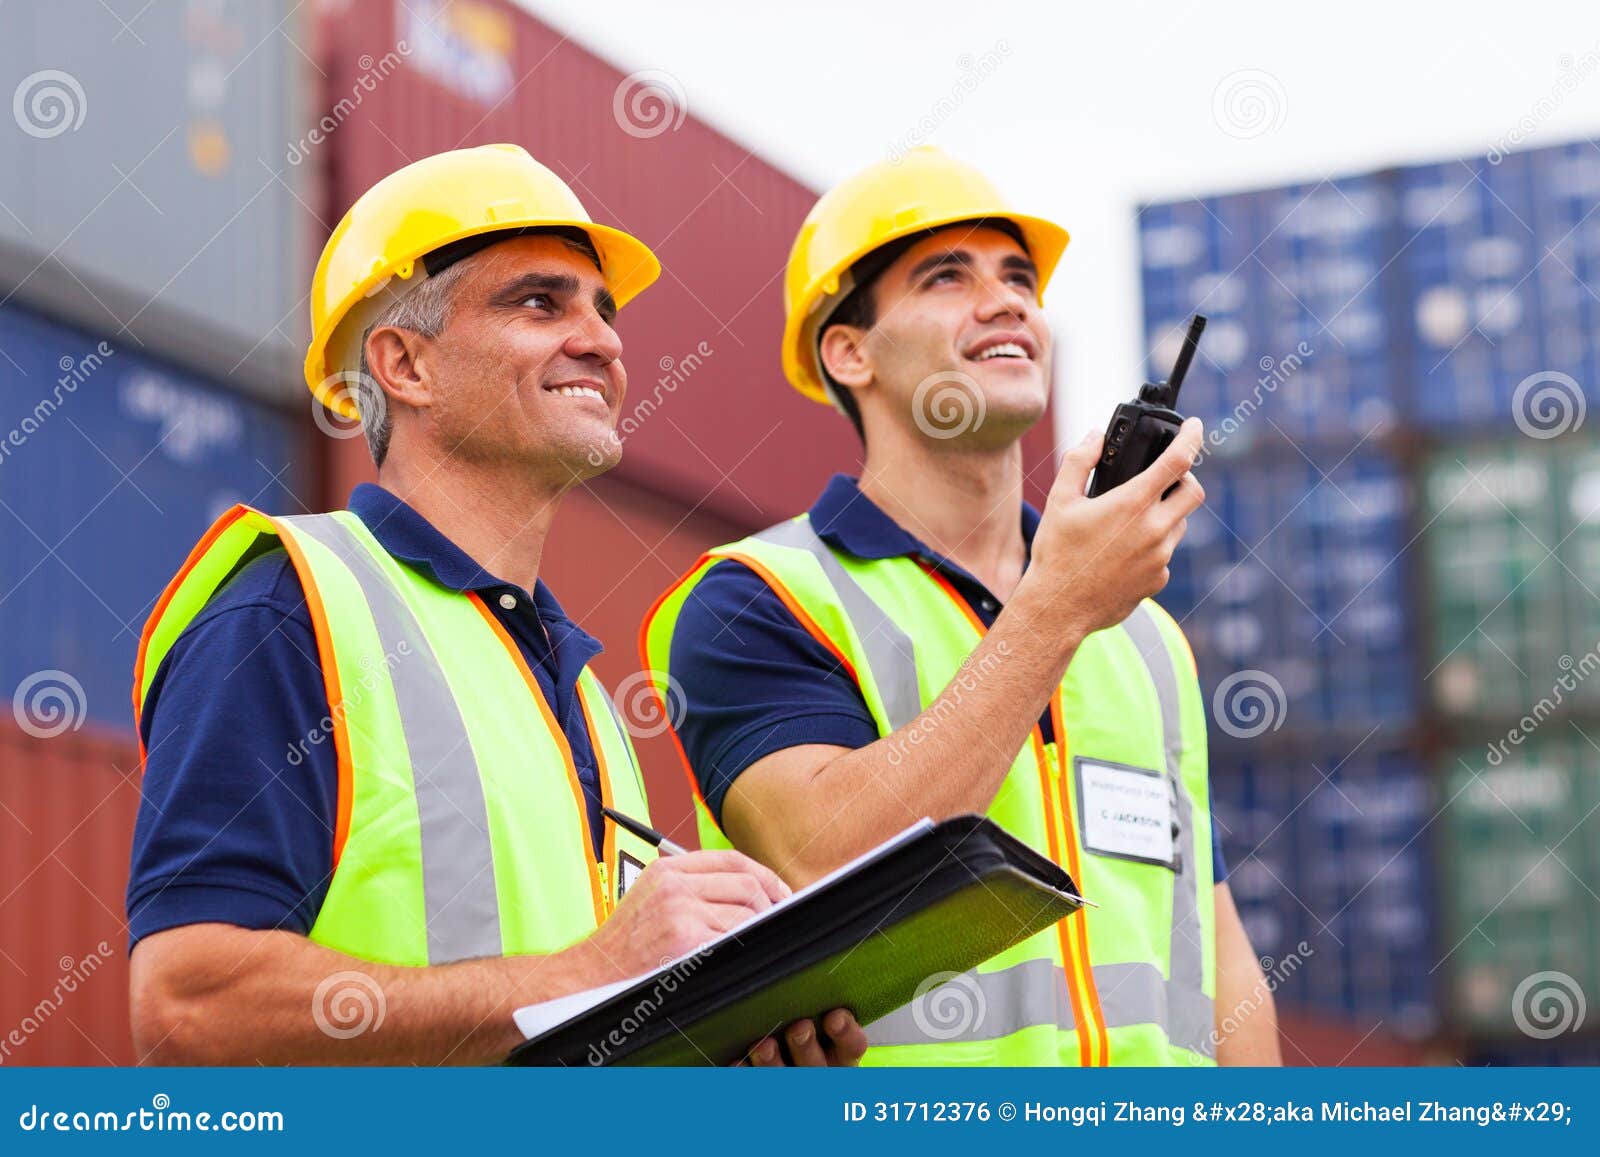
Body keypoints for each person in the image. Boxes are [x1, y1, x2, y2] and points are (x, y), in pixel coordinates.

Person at [126, 144, 866, 1067]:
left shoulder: (583, 698)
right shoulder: (289, 605)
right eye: (538, 302)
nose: (602, 338)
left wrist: (715, 1041)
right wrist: (592, 970)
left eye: (603, 308)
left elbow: (569, 1029)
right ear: (404, 364)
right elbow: (186, 1007)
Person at [643, 147, 1280, 1066]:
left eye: (1020, 277)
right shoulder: (758, 600)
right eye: (947, 276)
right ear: (848, 350)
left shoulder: (1147, 638)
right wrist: (1056, 606)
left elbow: (1218, 950)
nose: (1007, 300)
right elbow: (825, 859)